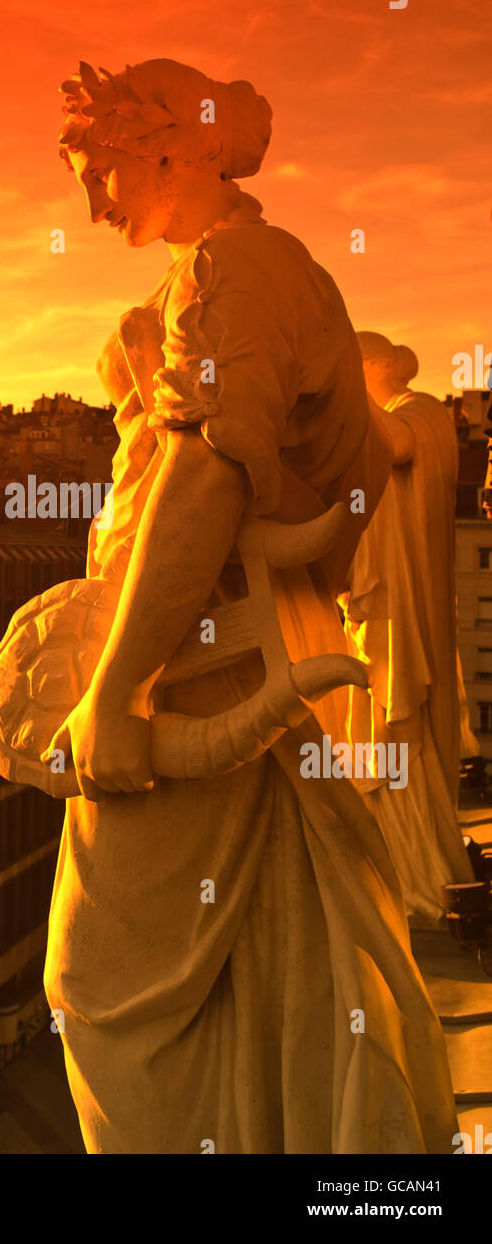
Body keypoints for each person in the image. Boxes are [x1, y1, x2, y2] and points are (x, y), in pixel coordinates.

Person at [40, 58, 458, 1153]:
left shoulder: (238, 267)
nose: (94, 207)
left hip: (198, 684)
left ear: (170, 144)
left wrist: (119, 687)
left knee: (96, 983)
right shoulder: (233, 272)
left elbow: (211, 470)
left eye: (102, 173)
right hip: (216, 667)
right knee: (217, 992)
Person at [340, 333, 474, 924]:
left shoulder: (417, 412)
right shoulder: (385, 416)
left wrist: (339, 397)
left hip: (402, 600)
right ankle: (391, 865)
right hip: (379, 596)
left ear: (372, 367)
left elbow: (394, 448)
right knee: (374, 724)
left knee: (395, 723)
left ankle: (416, 873)